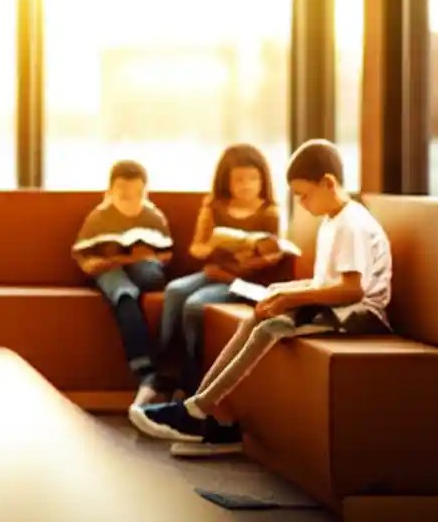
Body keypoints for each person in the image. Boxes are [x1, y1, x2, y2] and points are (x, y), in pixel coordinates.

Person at [129, 139, 392, 458]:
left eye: (304, 195)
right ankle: (199, 409)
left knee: (270, 327)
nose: (303, 204)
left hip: (359, 316)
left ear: (328, 183)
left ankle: (198, 410)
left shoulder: (352, 224)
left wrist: (288, 299)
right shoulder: (333, 220)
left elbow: (353, 290)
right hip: (338, 308)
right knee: (261, 311)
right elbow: (328, 283)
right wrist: (281, 291)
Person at [146, 144, 282, 404]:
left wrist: (250, 259)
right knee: (175, 291)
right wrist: (214, 245)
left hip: (242, 281)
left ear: (263, 180)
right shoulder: (214, 207)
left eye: (253, 179)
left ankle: (191, 381)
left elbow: (274, 253)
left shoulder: (269, 212)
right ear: (225, 181)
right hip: (213, 272)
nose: (246, 185)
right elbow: (197, 248)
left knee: (194, 306)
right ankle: (164, 372)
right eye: (239, 179)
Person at [73, 161, 173, 403]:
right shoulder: (98, 217)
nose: (131, 200)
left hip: (144, 269)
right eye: (124, 194)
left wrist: (146, 257)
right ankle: (145, 369)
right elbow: (82, 255)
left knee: (149, 275)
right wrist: (117, 259)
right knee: (124, 295)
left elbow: (167, 254)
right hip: (110, 269)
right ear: (109, 193)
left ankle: (168, 367)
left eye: (138, 194)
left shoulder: (153, 215)